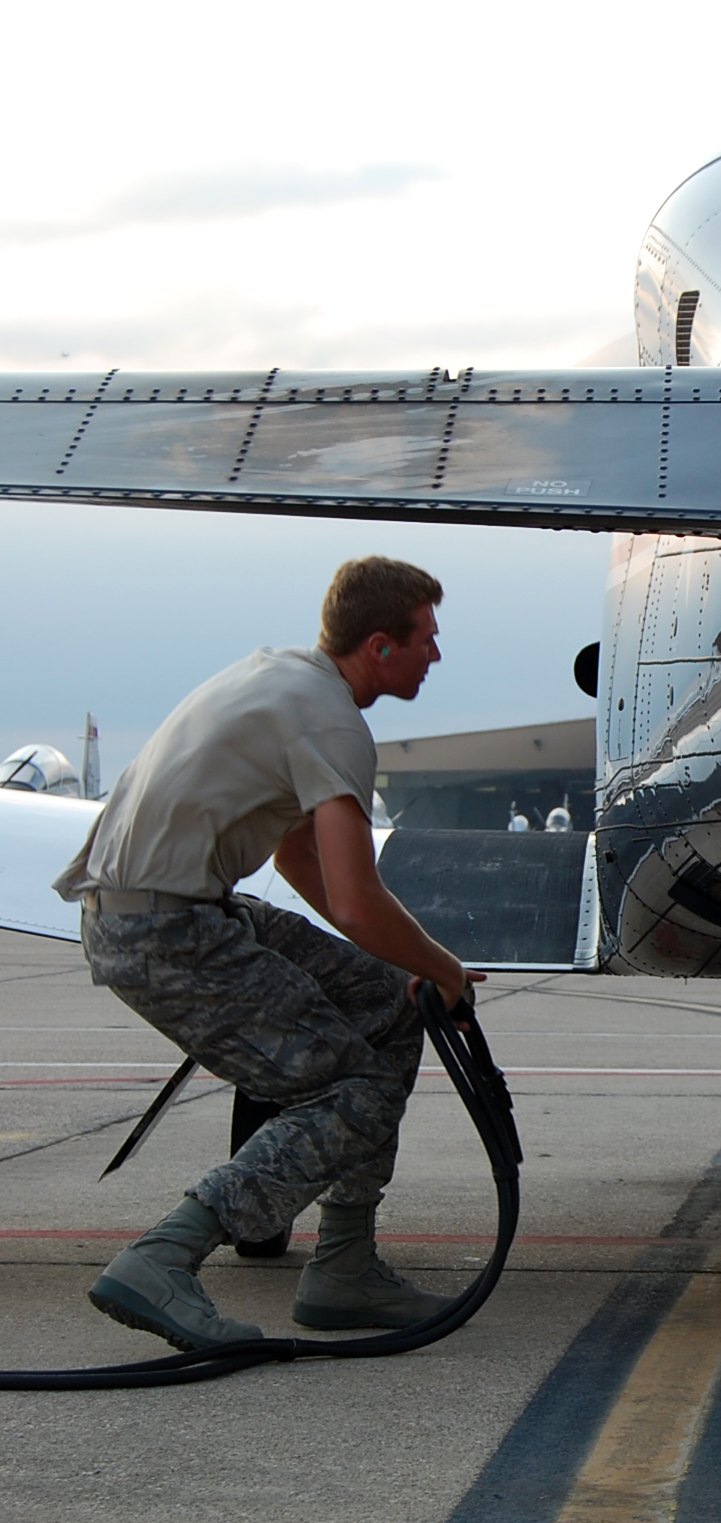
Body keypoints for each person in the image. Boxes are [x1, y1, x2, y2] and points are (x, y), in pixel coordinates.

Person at [54, 555, 483, 1351]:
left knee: (388, 1004)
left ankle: (345, 1266)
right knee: (350, 1088)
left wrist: (413, 969)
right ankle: (166, 1253)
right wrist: (446, 969)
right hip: (163, 931)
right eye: (426, 637)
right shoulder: (331, 723)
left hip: (177, 909)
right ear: (380, 645)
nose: (436, 654)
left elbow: (297, 860)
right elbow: (356, 898)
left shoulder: (288, 680)